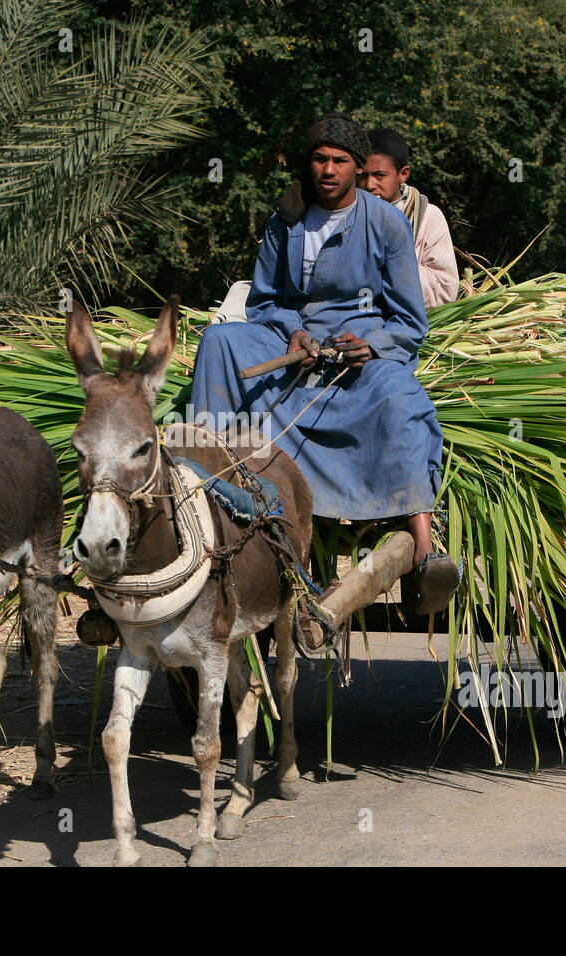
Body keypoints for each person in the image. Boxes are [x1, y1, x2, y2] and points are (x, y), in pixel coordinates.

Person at [190, 112, 459, 613]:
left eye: (340, 161)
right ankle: (210, 485)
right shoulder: (286, 220)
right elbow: (265, 300)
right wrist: (292, 331)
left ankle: (424, 551)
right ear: (307, 165)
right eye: (319, 159)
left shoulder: (387, 224)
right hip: (295, 350)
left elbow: (408, 320)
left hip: (356, 361)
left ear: (358, 168)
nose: (329, 169)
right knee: (220, 344)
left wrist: (372, 344)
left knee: (402, 401)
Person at [361, 128, 459, 310]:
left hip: (406, 326)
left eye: (380, 175)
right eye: (363, 175)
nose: (369, 185)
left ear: (403, 174)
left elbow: (444, 290)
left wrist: (388, 267)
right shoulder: (345, 213)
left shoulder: (428, 217)